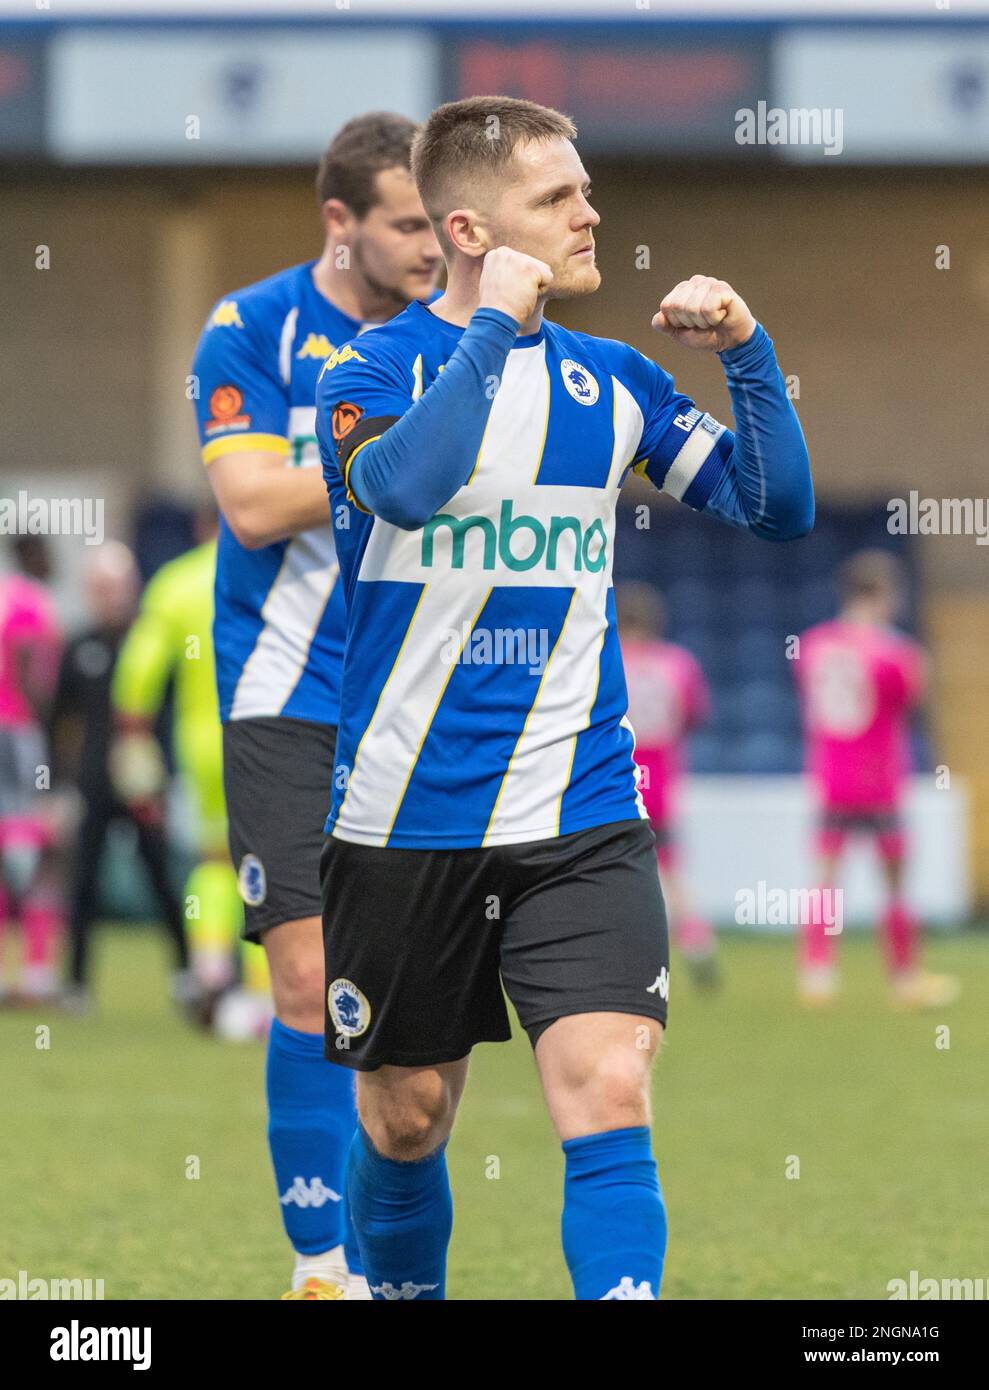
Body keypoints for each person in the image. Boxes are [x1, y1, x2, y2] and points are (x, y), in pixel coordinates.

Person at [315, 94, 813, 1300]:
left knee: (606, 1085)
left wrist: (746, 353)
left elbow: (776, 506)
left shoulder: (614, 381)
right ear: (471, 230)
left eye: (584, 188)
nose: (592, 213)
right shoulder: (373, 366)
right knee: (406, 1116)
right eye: (558, 198)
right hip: (403, 817)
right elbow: (404, 488)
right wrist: (490, 334)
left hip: (579, 810)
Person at [192, 112, 441, 1298]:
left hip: (421, 695)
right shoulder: (248, 328)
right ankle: (319, 1265)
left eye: (439, 220)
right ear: (337, 222)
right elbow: (245, 505)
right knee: (305, 982)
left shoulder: (458, 336)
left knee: (398, 1025)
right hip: (285, 694)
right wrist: (401, 449)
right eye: (405, 223)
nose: (432, 245)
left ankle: (393, 1259)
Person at [110, 510, 271, 1036]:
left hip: (203, 744)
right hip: (276, 736)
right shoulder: (276, 570)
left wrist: (134, 741)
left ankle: (209, 971)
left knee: (212, 858)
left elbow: (137, 675)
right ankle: (266, 995)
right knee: (273, 863)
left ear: (203, 525)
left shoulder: (176, 581)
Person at [794, 549, 958, 1009]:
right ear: (885, 595)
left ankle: (817, 974)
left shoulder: (813, 645)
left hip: (832, 778)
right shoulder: (899, 654)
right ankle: (904, 979)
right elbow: (911, 701)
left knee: (825, 878)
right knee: (894, 883)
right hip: (879, 781)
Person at [51, 541, 192, 1011]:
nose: (112, 597)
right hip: (94, 781)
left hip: (143, 782)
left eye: (120, 587)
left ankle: (188, 975)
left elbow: (172, 714)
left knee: (162, 879)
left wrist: (166, 779)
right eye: (103, 588)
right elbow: (59, 721)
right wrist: (54, 787)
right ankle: (76, 983)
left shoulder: (153, 641)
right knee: (83, 882)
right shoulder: (79, 646)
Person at [616, 582, 718, 987]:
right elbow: (694, 714)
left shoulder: (605, 659)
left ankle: (624, 955)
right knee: (671, 869)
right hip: (660, 778)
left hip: (616, 778)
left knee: (613, 870)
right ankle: (696, 941)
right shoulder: (677, 663)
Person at [0, 536, 63, 1004]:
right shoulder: (30, 602)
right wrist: (50, 730)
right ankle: (37, 969)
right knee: (33, 848)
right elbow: (28, 669)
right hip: (18, 733)